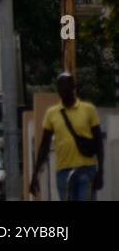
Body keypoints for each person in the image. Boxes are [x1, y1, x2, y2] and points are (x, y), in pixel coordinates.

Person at [30, 72, 105, 201]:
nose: (63, 90)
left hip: (86, 170)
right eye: (60, 87)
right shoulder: (52, 113)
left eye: (66, 86)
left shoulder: (88, 110)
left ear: (73, 87)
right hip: (63, 172)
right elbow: (44, 145)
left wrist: (101, 171)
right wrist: (35, 174)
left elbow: (98, 142)